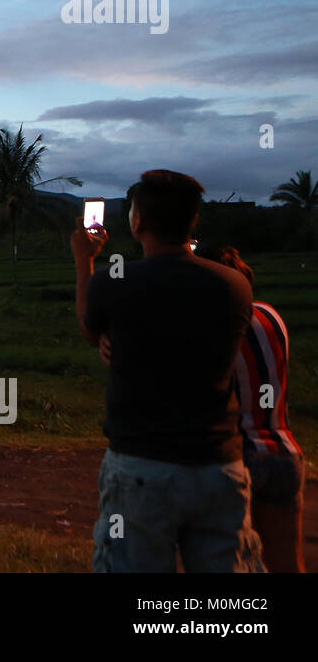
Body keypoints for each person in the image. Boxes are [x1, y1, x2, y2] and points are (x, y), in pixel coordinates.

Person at [73, 169, 263, 572]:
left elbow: (91, 331)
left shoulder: (115, 282)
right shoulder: (235, 285)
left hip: (141, 467)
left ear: (137, 221)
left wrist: (83, 260)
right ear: (193, 219)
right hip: (219, 468)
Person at [197, 246, 304, 572]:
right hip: (284, 453)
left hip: (236, 458)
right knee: (287, 563)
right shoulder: (272, 315)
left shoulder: (214, 327)